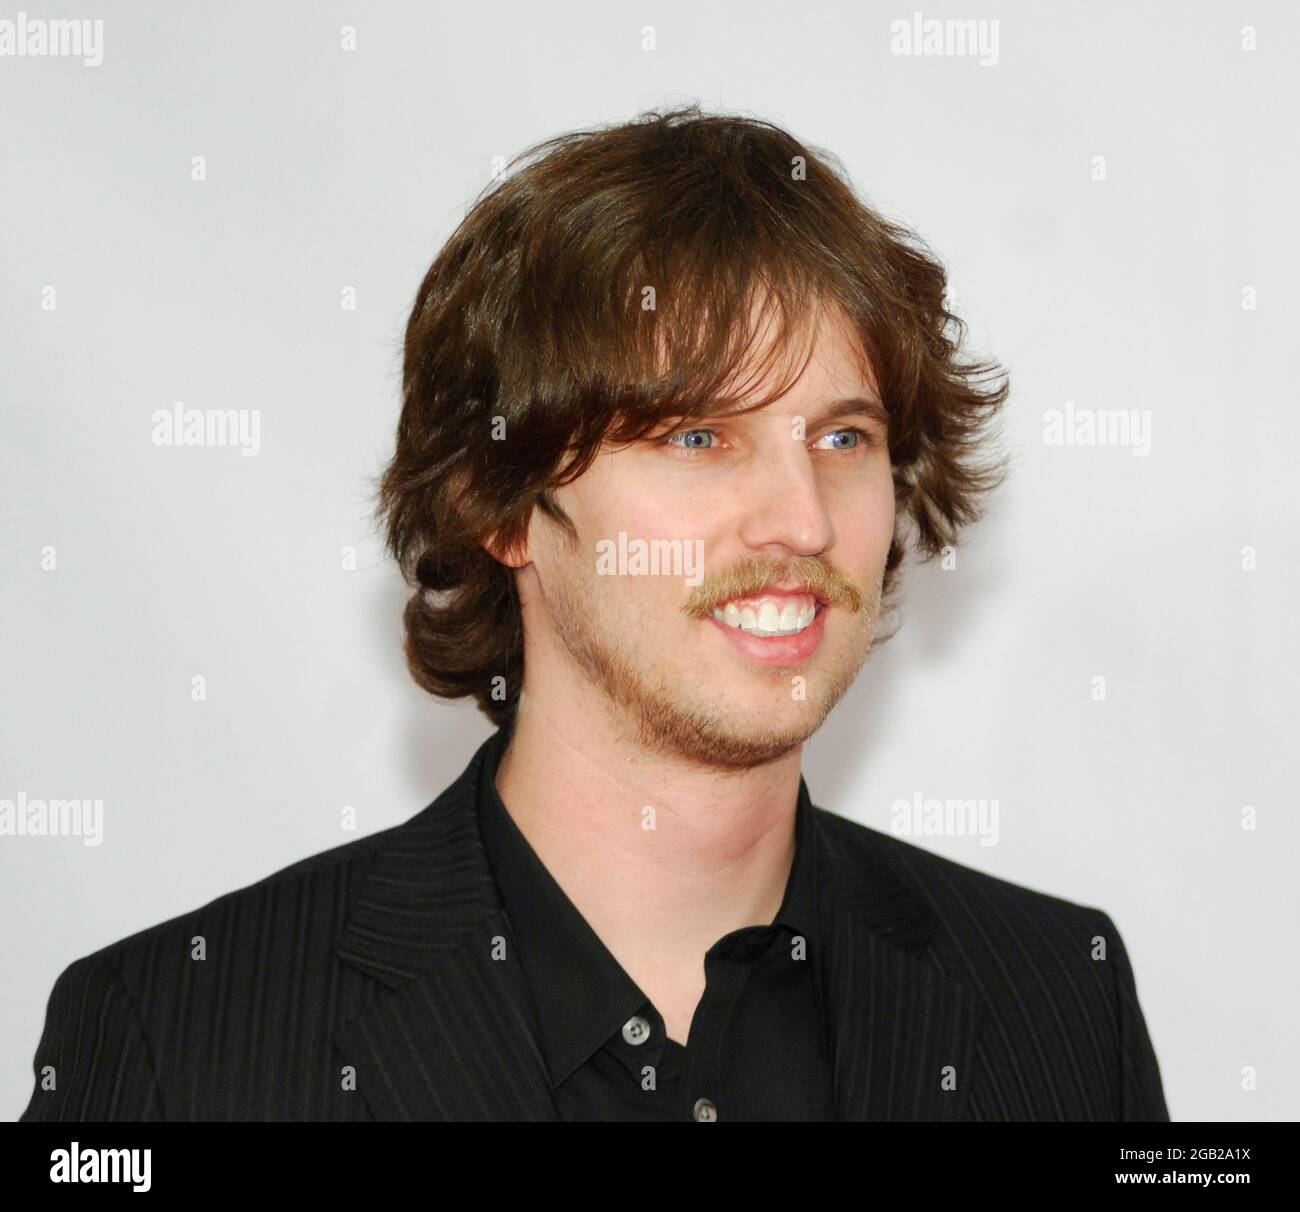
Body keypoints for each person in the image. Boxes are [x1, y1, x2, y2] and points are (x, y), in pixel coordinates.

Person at [20, 105, 1169, 1121]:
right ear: (505, 509)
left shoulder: (1056, 1002)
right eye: (697, 436)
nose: (802, 521)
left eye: (842, 438)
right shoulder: (177, 1039)